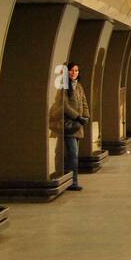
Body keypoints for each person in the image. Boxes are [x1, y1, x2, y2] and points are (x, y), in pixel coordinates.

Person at [49, 62, 90, 192]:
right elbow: (64, 106)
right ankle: (72, 181)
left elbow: (84, 103)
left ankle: (68, 179)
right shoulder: (63, 87)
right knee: (73, 154)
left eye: (76, 70)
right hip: (67, 125)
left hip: (77, 126)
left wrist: (86, 116)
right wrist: (78, 117)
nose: (74, 73)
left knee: (69, 153)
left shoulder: (79, 87)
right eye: (72, 70)